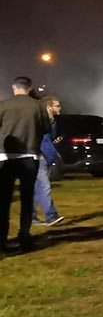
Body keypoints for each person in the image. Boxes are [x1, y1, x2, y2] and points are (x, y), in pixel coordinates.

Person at [0, 76, 52, 251]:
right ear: (29, 88)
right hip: (30, 155)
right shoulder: (38, 106)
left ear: (14, 87)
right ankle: (24, 235)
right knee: (27, 197)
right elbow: (46, 128)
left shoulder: (4, 105)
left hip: (5, 156)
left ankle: (2, 238)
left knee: (3, 199)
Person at [33, 95, 64, 226]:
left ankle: (30, 216)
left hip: (48, 156)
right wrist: (38, 152)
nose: (60, 108)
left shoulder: (52, 122)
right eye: (57, 106)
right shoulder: (39, 121)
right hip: (41, 158)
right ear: (49, 107)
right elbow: (33, 137)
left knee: (38, 189)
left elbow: (48, 139)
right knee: (45, 186)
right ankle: (51, 216)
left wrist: (54, 143)